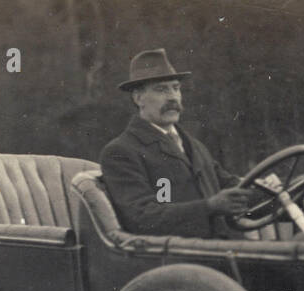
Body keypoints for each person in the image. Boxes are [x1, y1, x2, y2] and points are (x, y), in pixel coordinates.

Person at [99, 49, 259, 238]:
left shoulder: (195, 146)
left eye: (176, 88)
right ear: (138, 98)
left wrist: (275, 190)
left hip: (222, 250)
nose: (172, 97)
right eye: (161, 89)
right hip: (179, 258)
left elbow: (231, 187)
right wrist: (210, 206)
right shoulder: (121, 151)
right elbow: (143, 218)